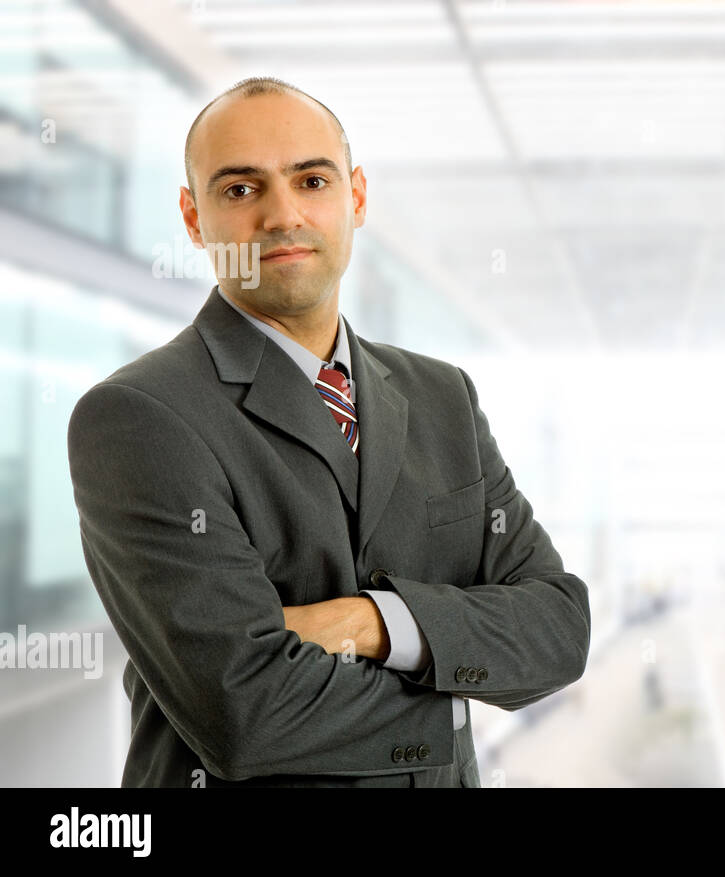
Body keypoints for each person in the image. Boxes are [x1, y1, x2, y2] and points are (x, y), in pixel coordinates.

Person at [67, 77, 591, 788]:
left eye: (311, 179)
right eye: (241, 190)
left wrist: (371, 622)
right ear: (194, 219)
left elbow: (559, 625)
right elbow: (243, 710)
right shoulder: (138, 416)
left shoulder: (443, 397)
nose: (283, 216)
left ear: (358, 196)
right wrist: (457, 696)